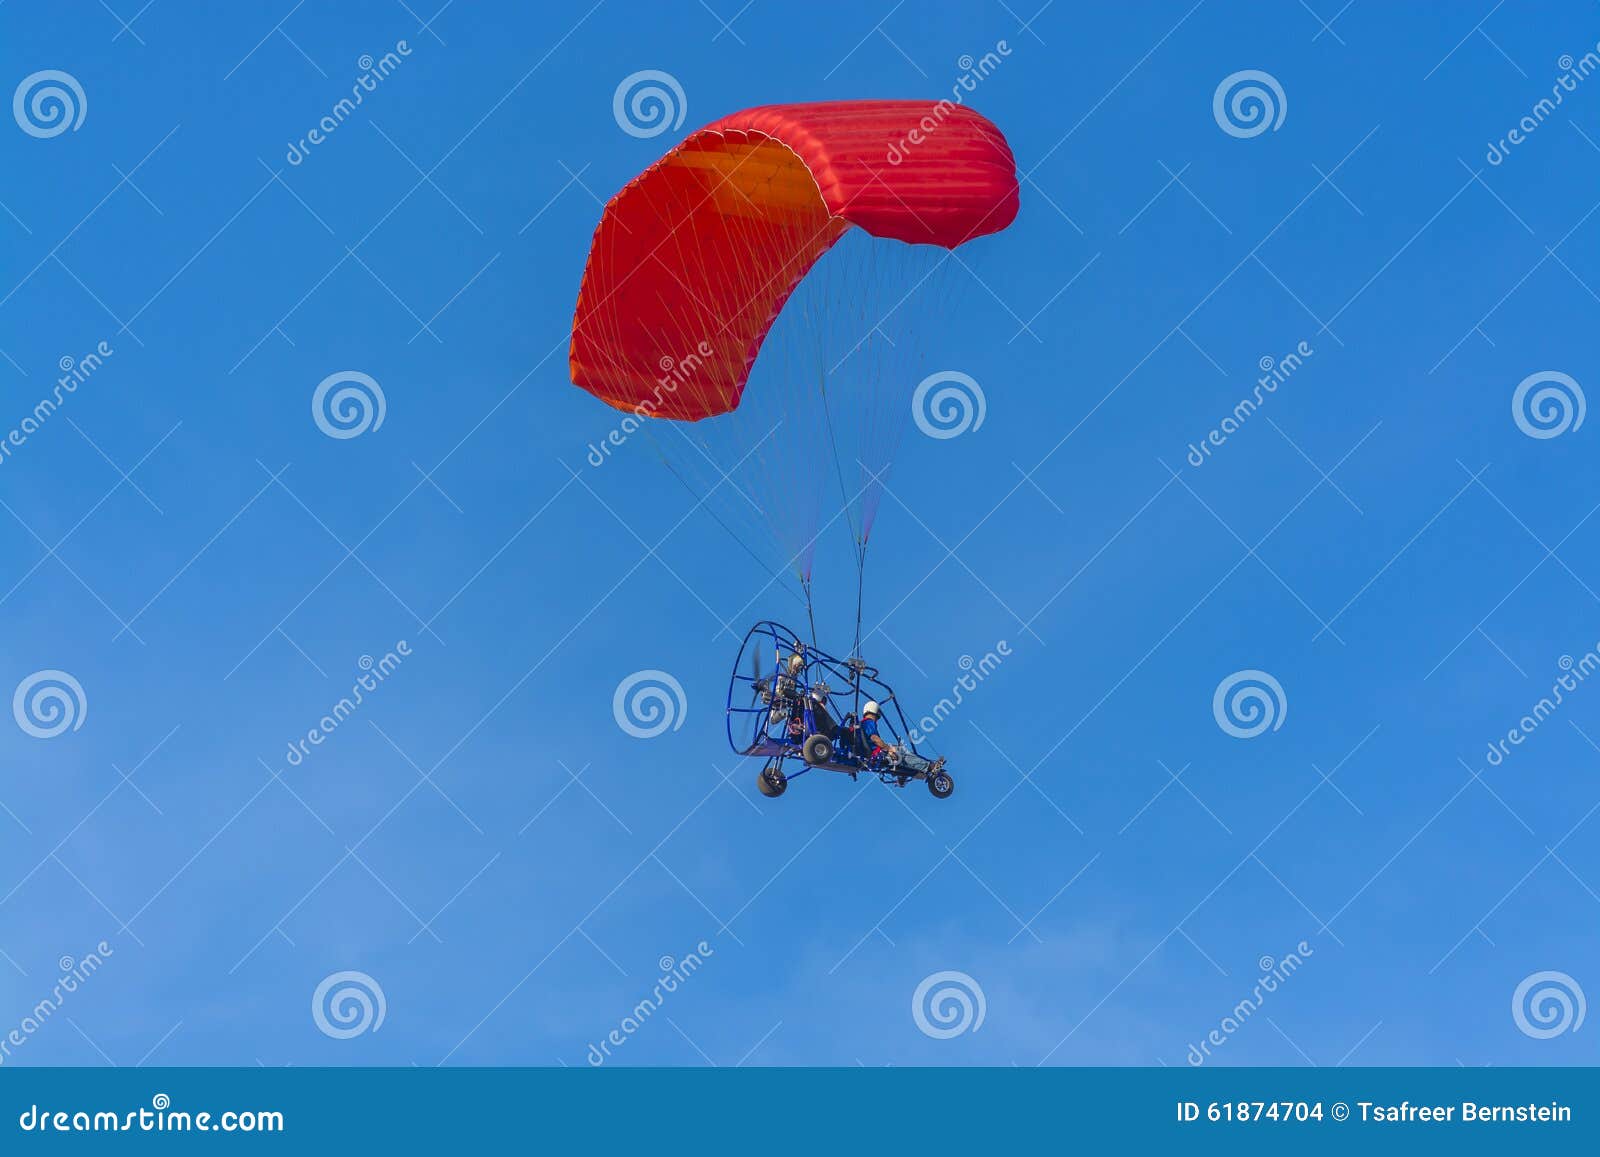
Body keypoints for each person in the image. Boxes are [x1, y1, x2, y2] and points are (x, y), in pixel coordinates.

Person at [855, 700, 939, 775]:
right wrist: (889, 749)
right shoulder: (869, 722)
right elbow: (874, 738)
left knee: (898, 751)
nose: (877, 719)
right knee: (902, 752)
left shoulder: (860, 725)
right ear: (875, 711)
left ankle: (903, 776)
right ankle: (929, 766)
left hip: (868, 754)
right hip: (876, 754)